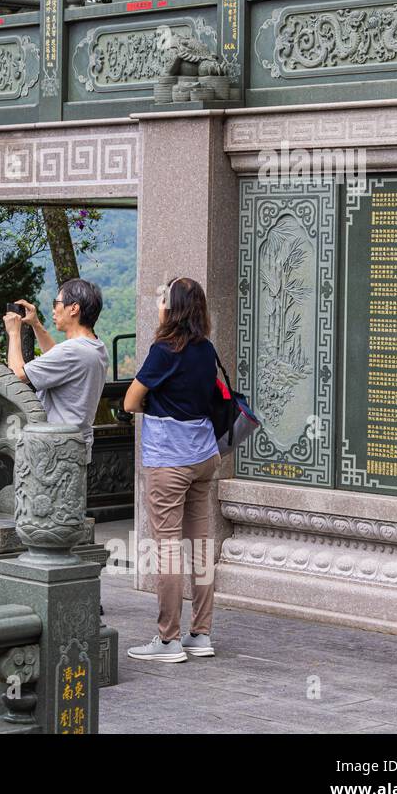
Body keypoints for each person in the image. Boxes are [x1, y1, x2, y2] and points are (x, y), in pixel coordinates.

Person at [122, 276, 222, 663]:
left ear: (173, 307)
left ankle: (168, 640)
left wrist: (156, 405)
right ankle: (201, 633)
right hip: (204, 459)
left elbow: (131, 401)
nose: (158, 303)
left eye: (162, 298)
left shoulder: (164, 349)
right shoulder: (207, 349)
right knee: (200, 546)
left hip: (169, 461)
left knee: (166, 550)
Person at [3, 278, 109, 462]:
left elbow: (17, 375)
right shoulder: (97, 346)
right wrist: (36, 324)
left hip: (54, 450)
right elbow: (56, 359)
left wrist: (14, 333)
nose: (53, 310)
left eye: (56, 303)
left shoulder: (73, 351)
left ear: (74, 308)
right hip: (76, 444)